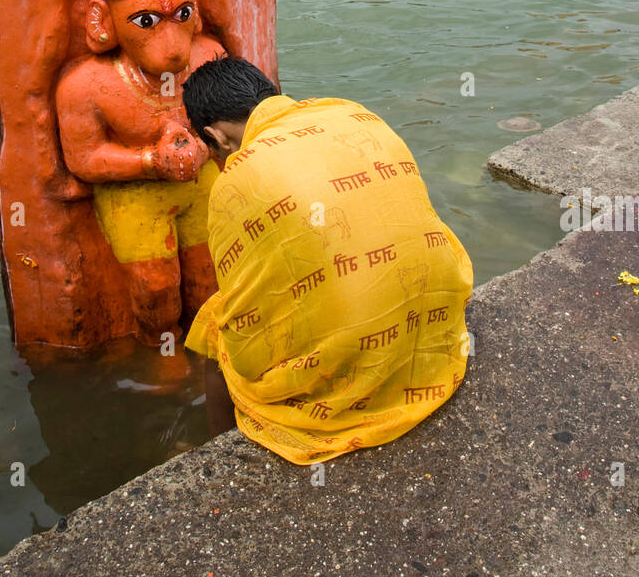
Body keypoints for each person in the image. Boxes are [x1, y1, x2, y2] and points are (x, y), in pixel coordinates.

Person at [181, 56, 473, 463]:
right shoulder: (351, 112)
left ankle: (218, 456)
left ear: (215, 137)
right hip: (437, 317)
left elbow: (245, 318)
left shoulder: (237, 176)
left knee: (215, 326)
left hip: (348, 367)